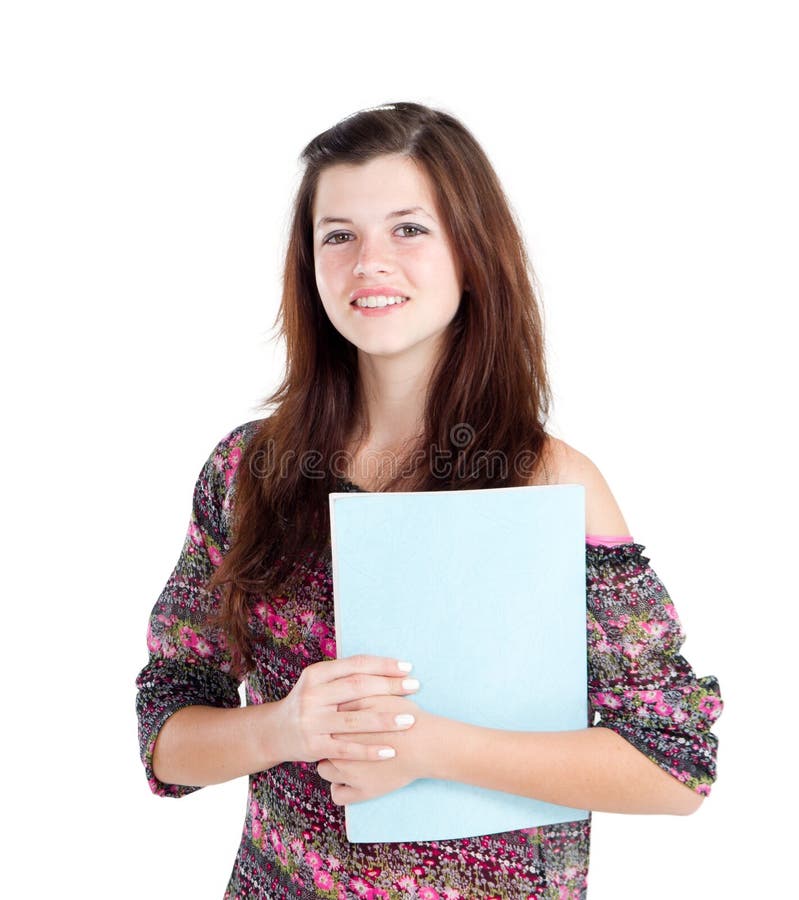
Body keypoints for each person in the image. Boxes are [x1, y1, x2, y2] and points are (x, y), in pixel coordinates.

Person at [135, 101, 722, 899]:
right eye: (337, 235)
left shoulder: (549, 484)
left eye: (408, 228)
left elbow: (671, 763)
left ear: (470, 254)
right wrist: (283, 727)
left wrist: (426, 747)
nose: (368, 262)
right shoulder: (250, 470)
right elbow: (167, 732)